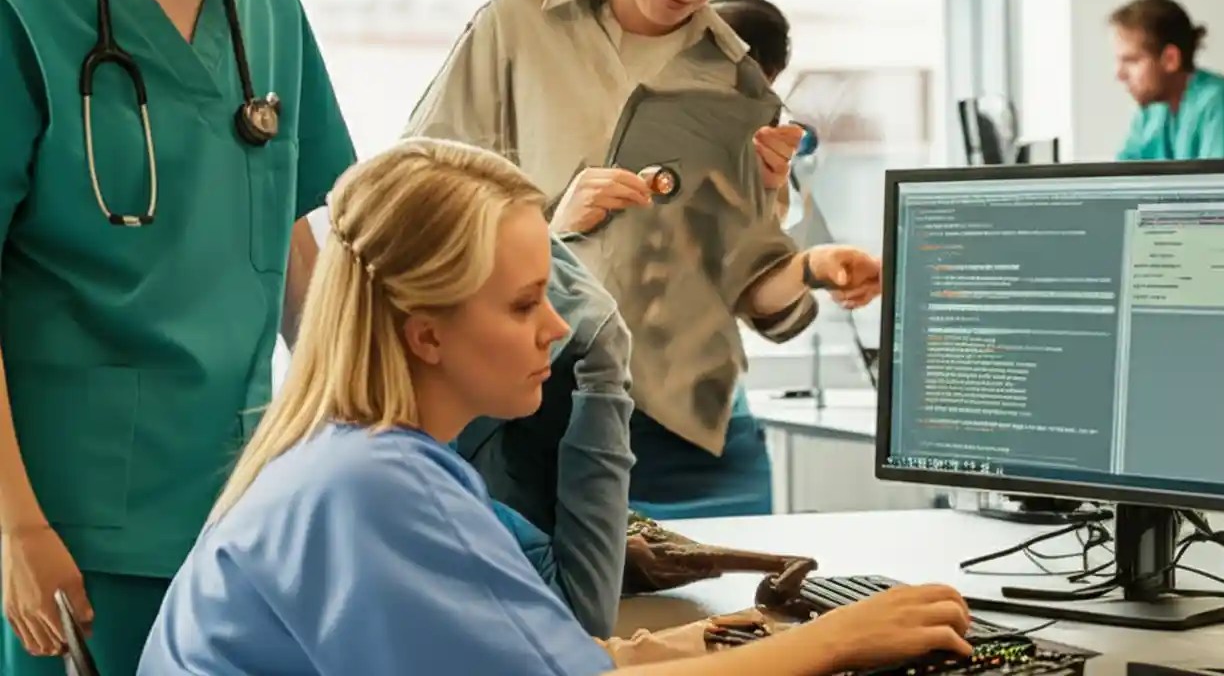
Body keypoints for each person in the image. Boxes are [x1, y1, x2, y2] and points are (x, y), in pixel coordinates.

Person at [137, 137, 973, 676]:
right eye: (524, 303)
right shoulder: (374, 489)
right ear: (426, 335)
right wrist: (835, 641)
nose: (553, 330)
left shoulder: (362, 456)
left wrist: (686, 645)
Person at [406, 0, 878, 541]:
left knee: (722, 622)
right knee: (552, 617)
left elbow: (747, 291)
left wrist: (809, 265)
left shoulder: (738, 79)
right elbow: (412, 212)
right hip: (527, 418)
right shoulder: (515, 28)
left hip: (693, 433)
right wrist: (551, 228)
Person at [0, 0, 355, 673]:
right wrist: (16, 526)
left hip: (244, 496)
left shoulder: (268, 2)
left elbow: (282, 220)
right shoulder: (27, 11)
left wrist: (360, 409)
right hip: (75, 516)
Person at [1112, 0, 1224, 160]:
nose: (1119, 74)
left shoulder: (1220, 103)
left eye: (1131, 60)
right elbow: (1121, 178)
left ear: (1171, 59)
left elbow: (1219, 185)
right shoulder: (1151, 111)